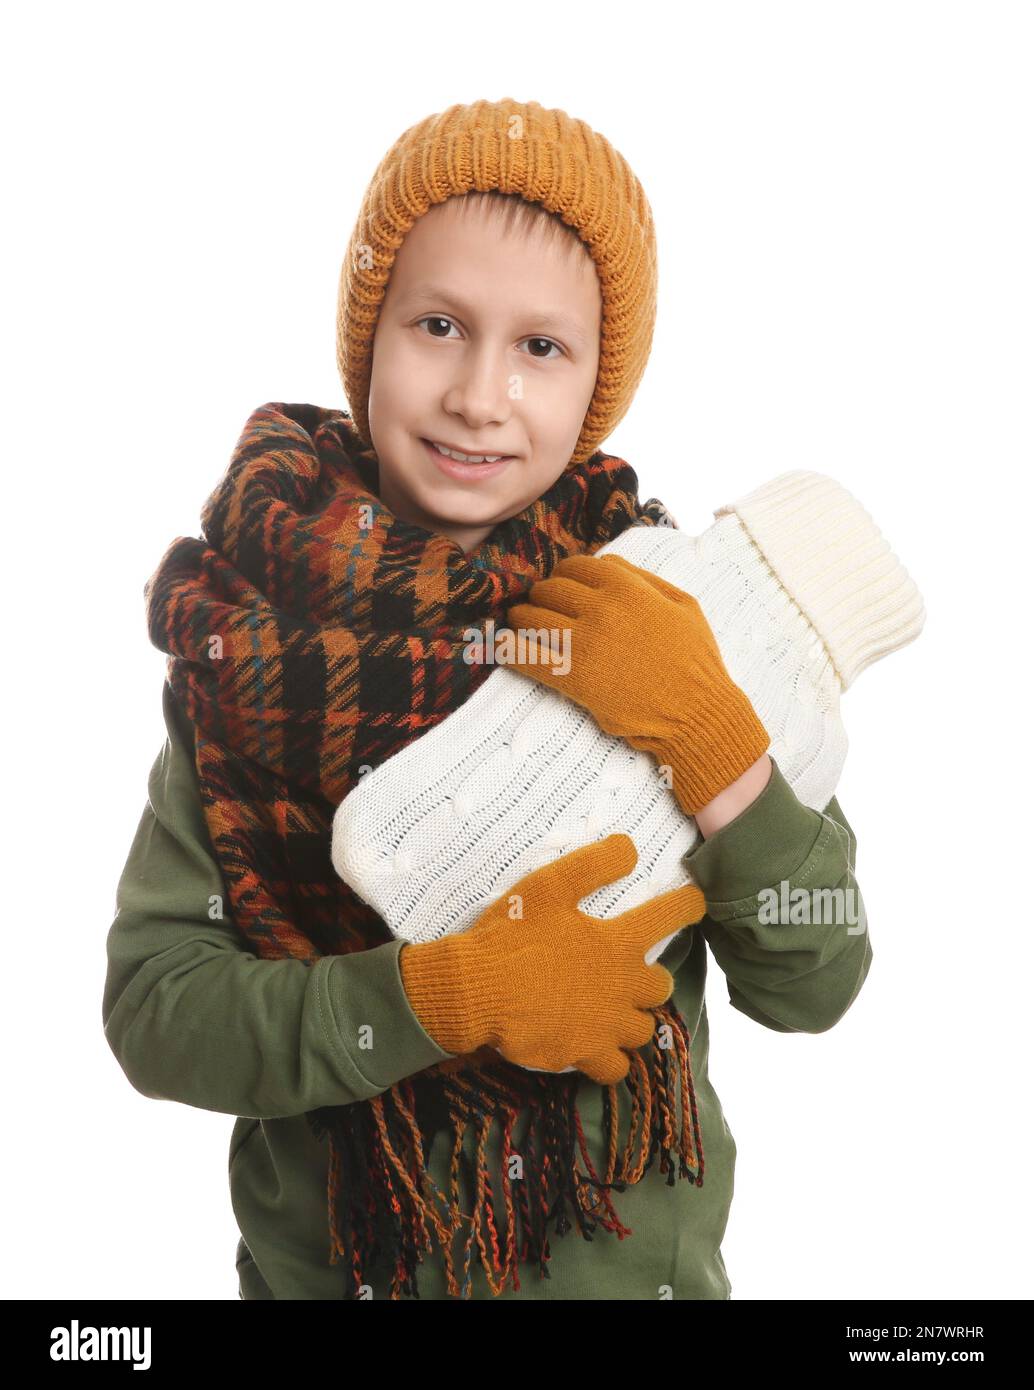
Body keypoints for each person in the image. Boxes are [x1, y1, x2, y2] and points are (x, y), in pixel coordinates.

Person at [103, 97, 872, 1301]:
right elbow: (160, 1010)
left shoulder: (679, 614)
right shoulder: (244, 649)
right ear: (369, 337)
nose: (477, 393)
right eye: (439, 325)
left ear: (597, 382)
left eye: (541, 348)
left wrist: (716, 751)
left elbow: (815, 975)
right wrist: (439, 995)